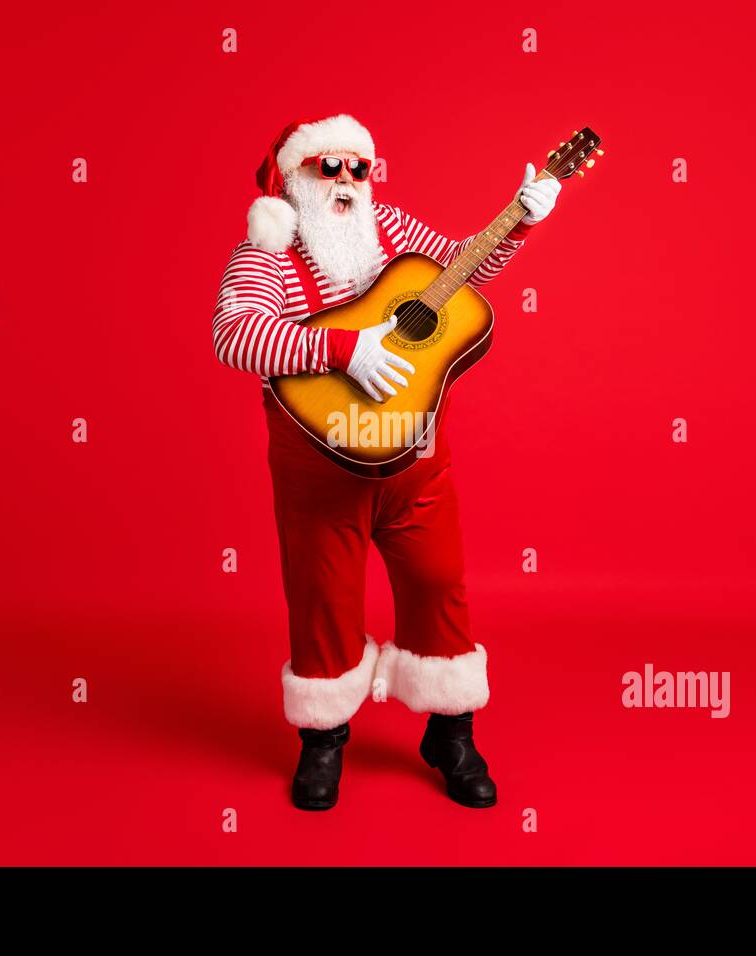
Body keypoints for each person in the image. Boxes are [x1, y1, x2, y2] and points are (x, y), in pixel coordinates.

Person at [211, 114, 561, 810]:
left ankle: (451, 733)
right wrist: (342, 351)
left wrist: (520, 220)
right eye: (327, 168)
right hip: (317, 472)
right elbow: (236, 334)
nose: (345, 182)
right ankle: (324, 741)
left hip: (417, 461)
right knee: (323, 601)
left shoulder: (393, 230)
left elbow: (462, 269)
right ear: (291, 177)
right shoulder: (266, 250)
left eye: (358, 168)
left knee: (439, 585)